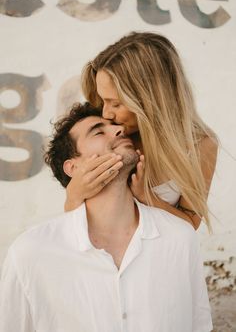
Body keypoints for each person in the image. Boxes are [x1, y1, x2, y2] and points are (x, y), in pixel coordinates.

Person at [0, 102, 213, 332]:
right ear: (73, 167)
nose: (119, 130)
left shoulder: (179, 238)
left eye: (116, 126)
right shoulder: (30, 253)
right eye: (99, 131)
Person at [65, 32, 218, 232]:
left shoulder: (201, 145)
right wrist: (73, 196)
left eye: (116, 103)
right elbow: (75, 225)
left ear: (150, 99)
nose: (106, 113)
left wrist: (148, 198)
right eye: (103, 101)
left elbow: (190, 224)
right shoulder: (113, 136)